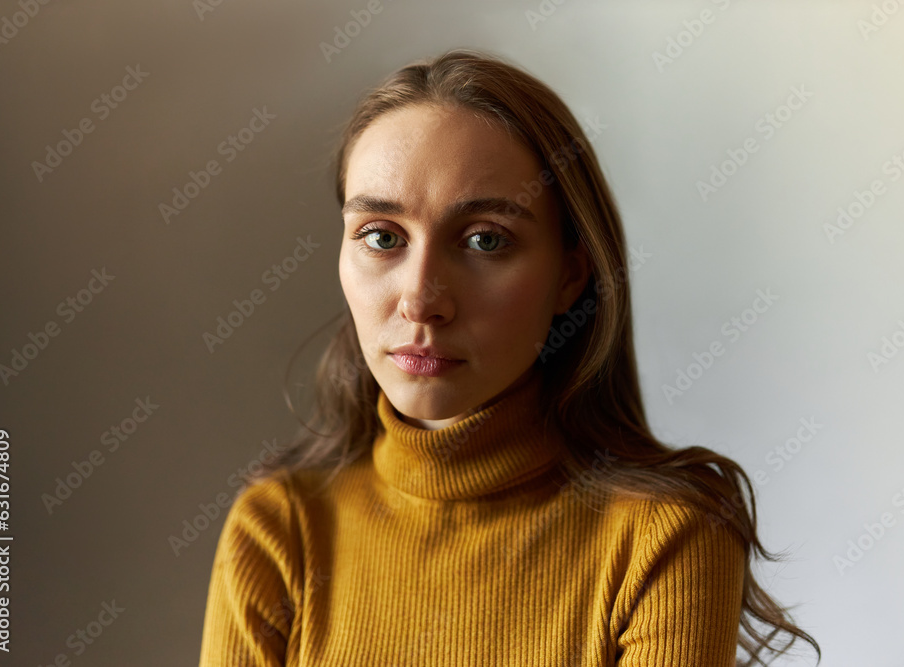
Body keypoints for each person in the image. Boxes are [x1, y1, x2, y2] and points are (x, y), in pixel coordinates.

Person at [198, 48, 821, 666]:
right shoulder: (277, 532)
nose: (420, 300)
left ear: (570, 278)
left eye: (485, 240)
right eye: (382, 236)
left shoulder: (665, 536)